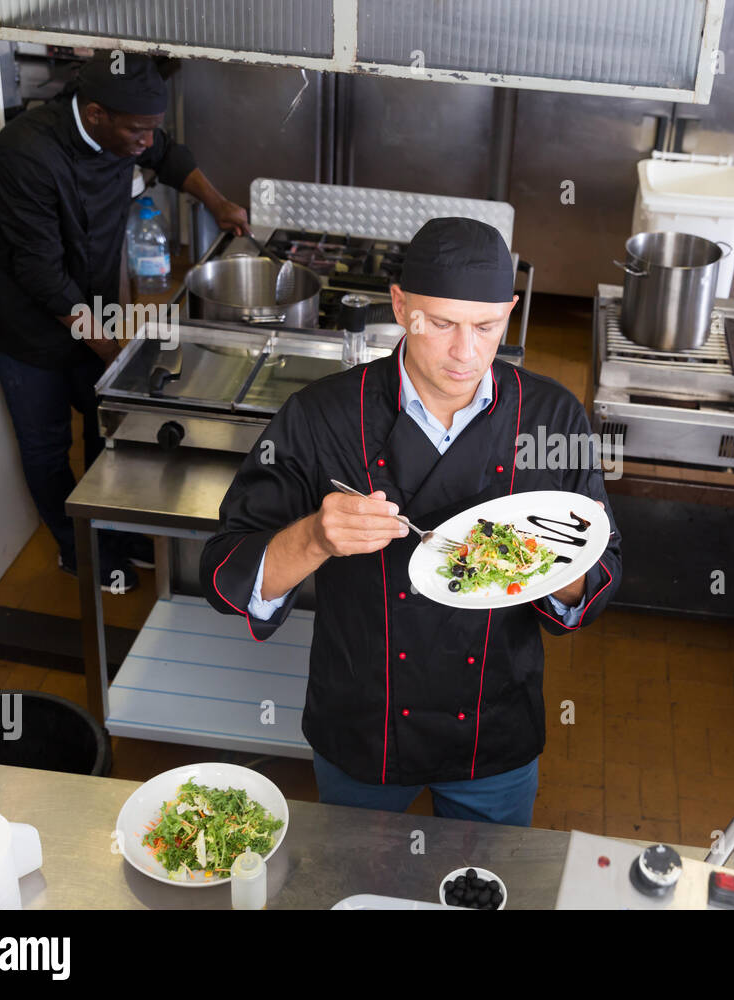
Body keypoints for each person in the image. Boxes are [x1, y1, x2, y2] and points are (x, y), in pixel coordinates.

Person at [200, 217, 622, 826]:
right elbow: (227, 569)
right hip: (364, 728)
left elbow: (600, 568)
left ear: (509, 310)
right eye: (442, 323)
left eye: (486, 326)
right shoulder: (322, 417)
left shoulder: (552, 418)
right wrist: (315, 537)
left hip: (492, 730)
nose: (466, 352)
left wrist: (552, 570)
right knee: (358, 885)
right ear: (400, 306)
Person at [0, 51, 248, 591]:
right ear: (95, 114)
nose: (147, 140)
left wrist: (218, 203)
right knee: (47, 443)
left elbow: (169, 156)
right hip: (22, 319)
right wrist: (118, 354)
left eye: (152, 128)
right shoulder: (25, 154)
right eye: (139, 131)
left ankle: (112, 531)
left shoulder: (131, 132)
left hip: (88, 302)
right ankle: (78, 549)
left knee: (107, 418)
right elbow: (41, 275)